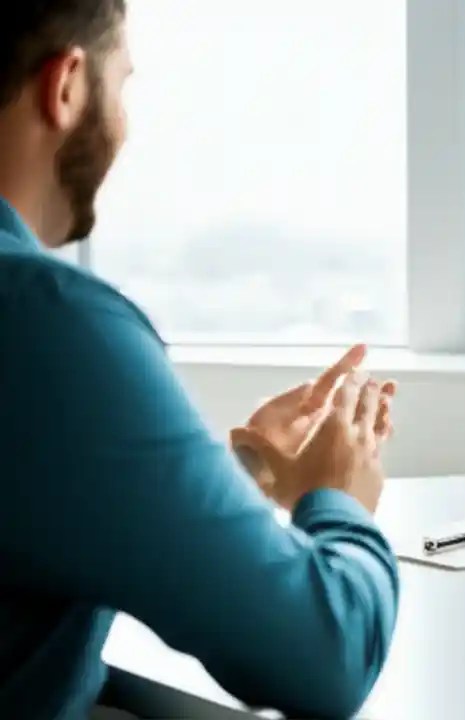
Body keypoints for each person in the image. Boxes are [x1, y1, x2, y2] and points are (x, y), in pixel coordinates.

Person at [0, 2, 400, 717]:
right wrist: (339, 495)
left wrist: (239, 476)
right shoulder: (45, 318)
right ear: (65, 86)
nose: (123, 121)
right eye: (120, 87)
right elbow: (326, 656)